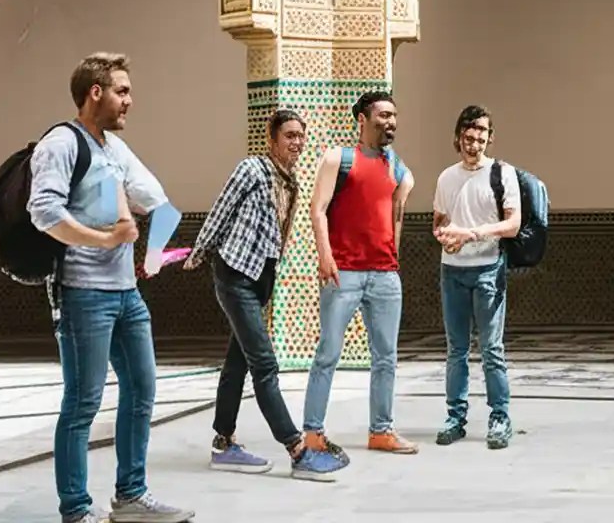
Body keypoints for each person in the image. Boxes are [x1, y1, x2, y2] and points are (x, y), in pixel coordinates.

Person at [27, 53, 193, 523]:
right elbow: (44, 213)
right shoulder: (62, 144)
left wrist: (154, 255)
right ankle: (76, 509)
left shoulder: (112, 151)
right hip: (83, 294)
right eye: (122, 92)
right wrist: (105, 239)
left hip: (126, 295)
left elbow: (160, 206)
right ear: (95, 93)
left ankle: (131, 496)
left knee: (142, 390)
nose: (129, 102)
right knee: (82, 403)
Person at [184, 109, 346, 481]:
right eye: (289, 135)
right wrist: (198, 253)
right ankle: (297, 449)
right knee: (264, 364)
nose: (297, 142)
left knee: (237, 362)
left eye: (300, 136)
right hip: (235, 272)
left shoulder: (291, 181)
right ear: (271, 140)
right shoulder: (252, 170)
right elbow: (221, 212)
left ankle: (223, 444)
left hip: (259, 278)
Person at [302, 91, 418, 456]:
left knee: (386, 356)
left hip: (385, 275)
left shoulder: (398, 167)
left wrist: (392, 259)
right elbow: (317, 209)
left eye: (395, 116)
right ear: (363, 119)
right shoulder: (340, 158)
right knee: (328, 353)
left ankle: (381, 430)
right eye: (383, 115)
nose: (391, 122)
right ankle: (312, 433)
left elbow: (396, 213)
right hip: (344, 273)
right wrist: (325, 256)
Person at [431, 105, 521, 449]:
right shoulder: (446, 177)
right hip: (452, 271)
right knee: (456, 349)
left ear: (490, 138)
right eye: (469, 138)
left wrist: (472, 234)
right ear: (458, 139)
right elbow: (439, 222)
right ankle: (455, 416)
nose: (475, 144)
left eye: (481, 137)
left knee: (491, 348)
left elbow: (512, 225)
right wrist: (446, 238)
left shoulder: (502, 174)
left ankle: (500, 416)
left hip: (488, 269)